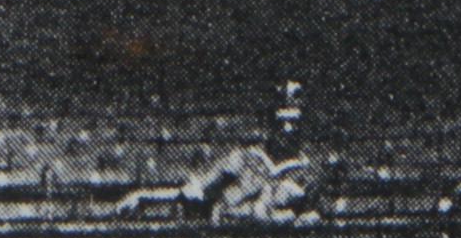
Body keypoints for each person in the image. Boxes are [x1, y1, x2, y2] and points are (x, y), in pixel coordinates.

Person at [118, 85, 321, 225]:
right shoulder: (243, 158)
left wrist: (290, 218)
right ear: (270, 125)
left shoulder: (307, 170)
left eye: (294, 123)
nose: (287, 130)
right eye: (280, 122)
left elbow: (312, 218)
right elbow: (194, 191)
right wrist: (144, 196)